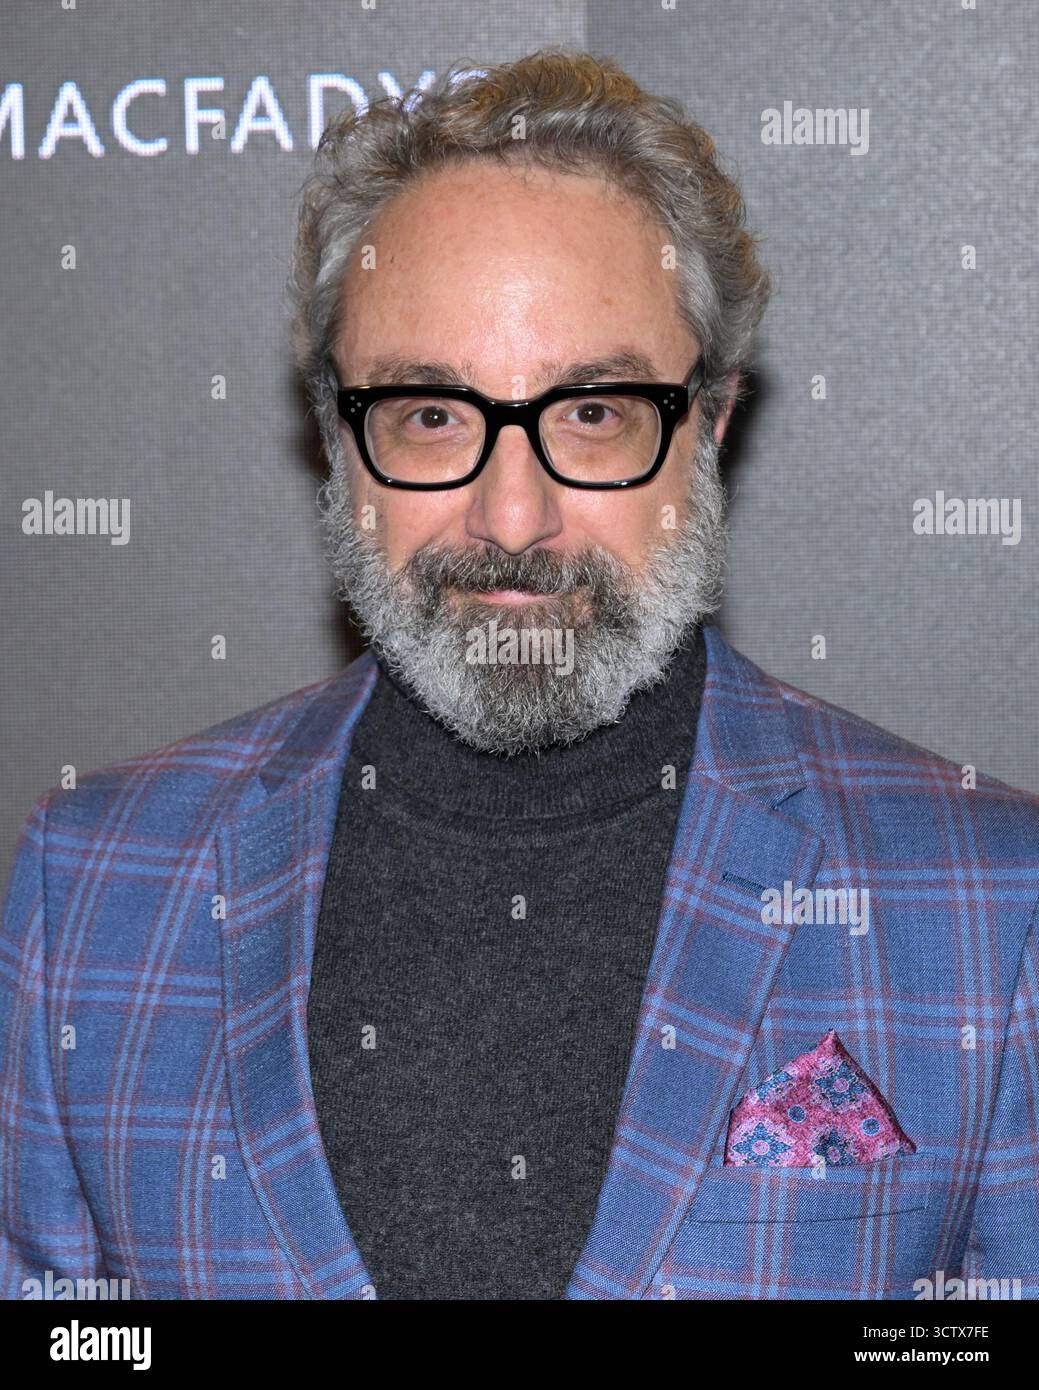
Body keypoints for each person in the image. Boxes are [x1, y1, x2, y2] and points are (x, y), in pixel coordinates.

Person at [2, 50, 1037, 1302]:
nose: (511, 512)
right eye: (431, 413)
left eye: (593, 412)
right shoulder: (99, 886)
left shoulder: (987, 902)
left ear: (707, 424)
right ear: (343, 441)